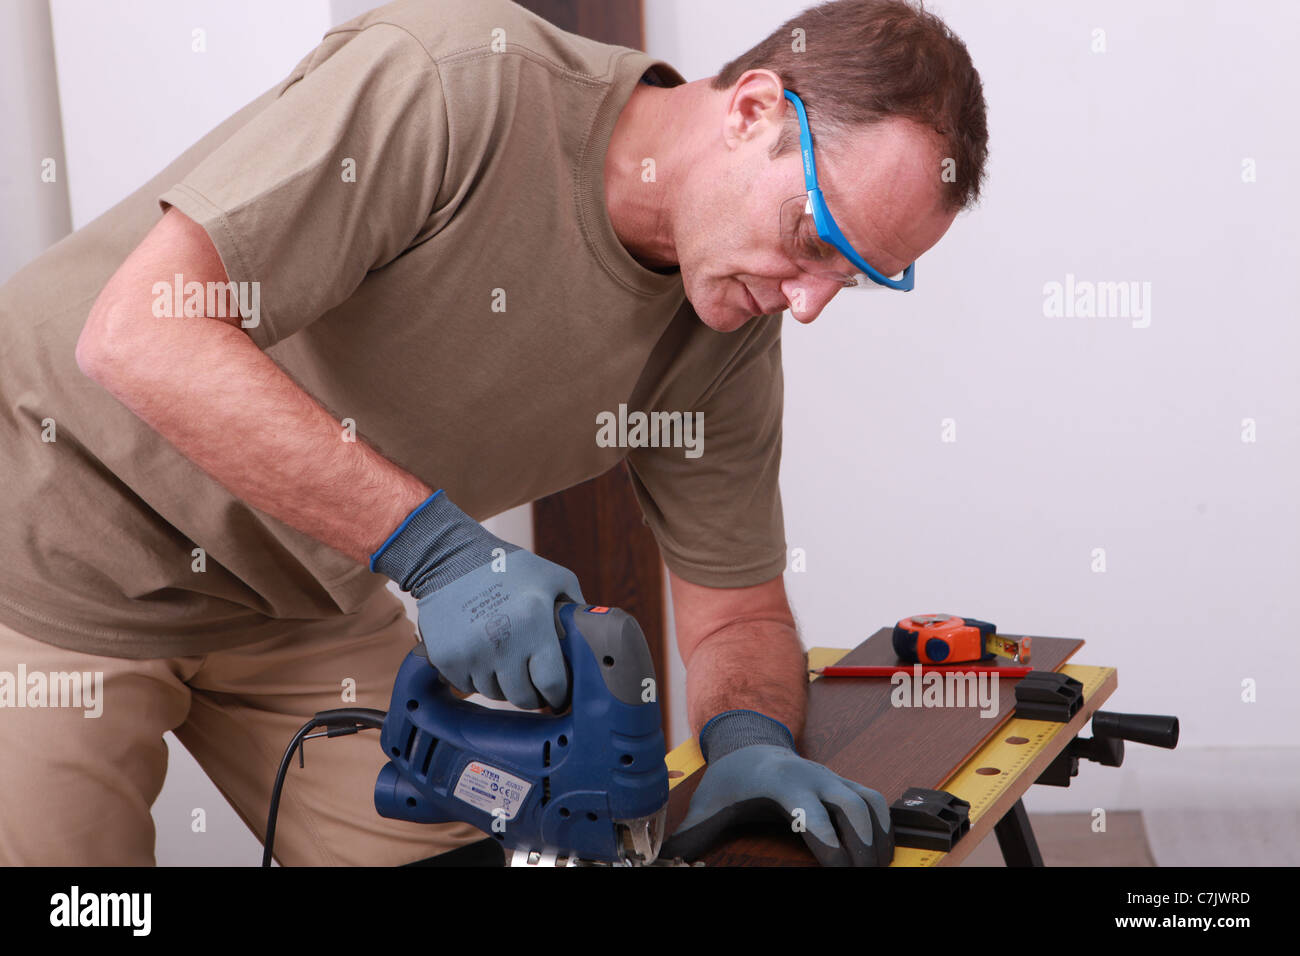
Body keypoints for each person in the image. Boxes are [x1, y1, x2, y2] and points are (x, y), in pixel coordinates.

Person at [0, 0, 986, 866]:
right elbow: (137, 333)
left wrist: (748, 742)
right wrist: (436, 553)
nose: (807, 302)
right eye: (815, 239)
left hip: (303, 585)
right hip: (58, 527)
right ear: (752, 110)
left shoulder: (727, 327)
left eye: (849, 275)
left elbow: (736, 614)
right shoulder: (455, 83)